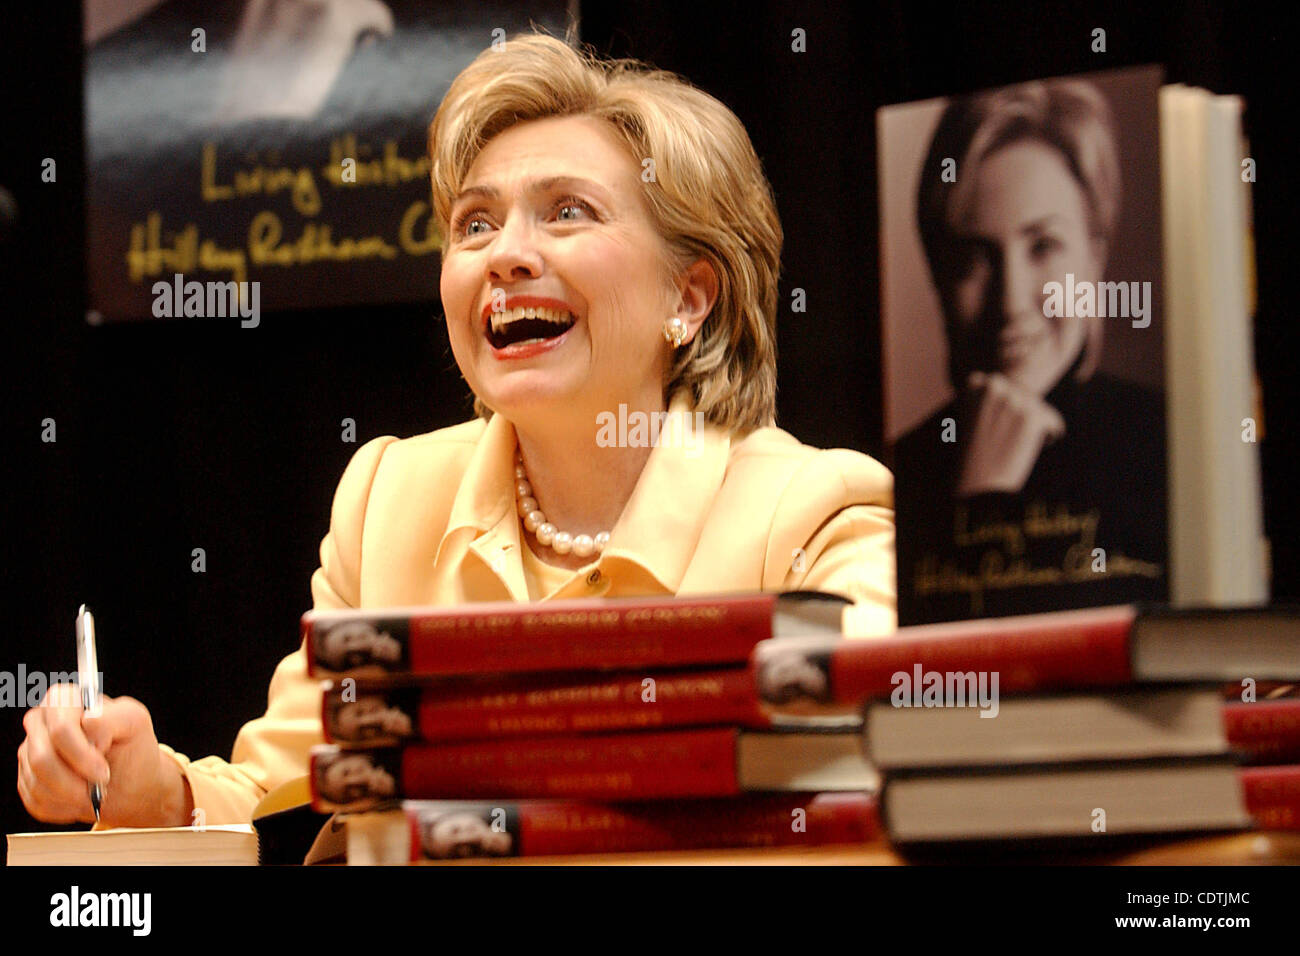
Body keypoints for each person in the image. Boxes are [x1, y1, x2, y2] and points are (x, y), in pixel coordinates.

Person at [18, 31, 895, 828]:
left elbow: (871, 767)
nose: (504, 254)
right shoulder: (391, 496)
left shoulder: (814, 515)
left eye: (567, 212)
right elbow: (281, 788)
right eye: (475, 223)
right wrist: (149, 792)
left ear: (690, 298)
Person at [891, 78, 1165, 624]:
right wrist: (981, 492)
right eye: (975, 258)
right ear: (939, 278)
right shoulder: (897, 475)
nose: (1011, 302)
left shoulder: (1169, 443)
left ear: (1094, 256)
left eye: (1043, 246)